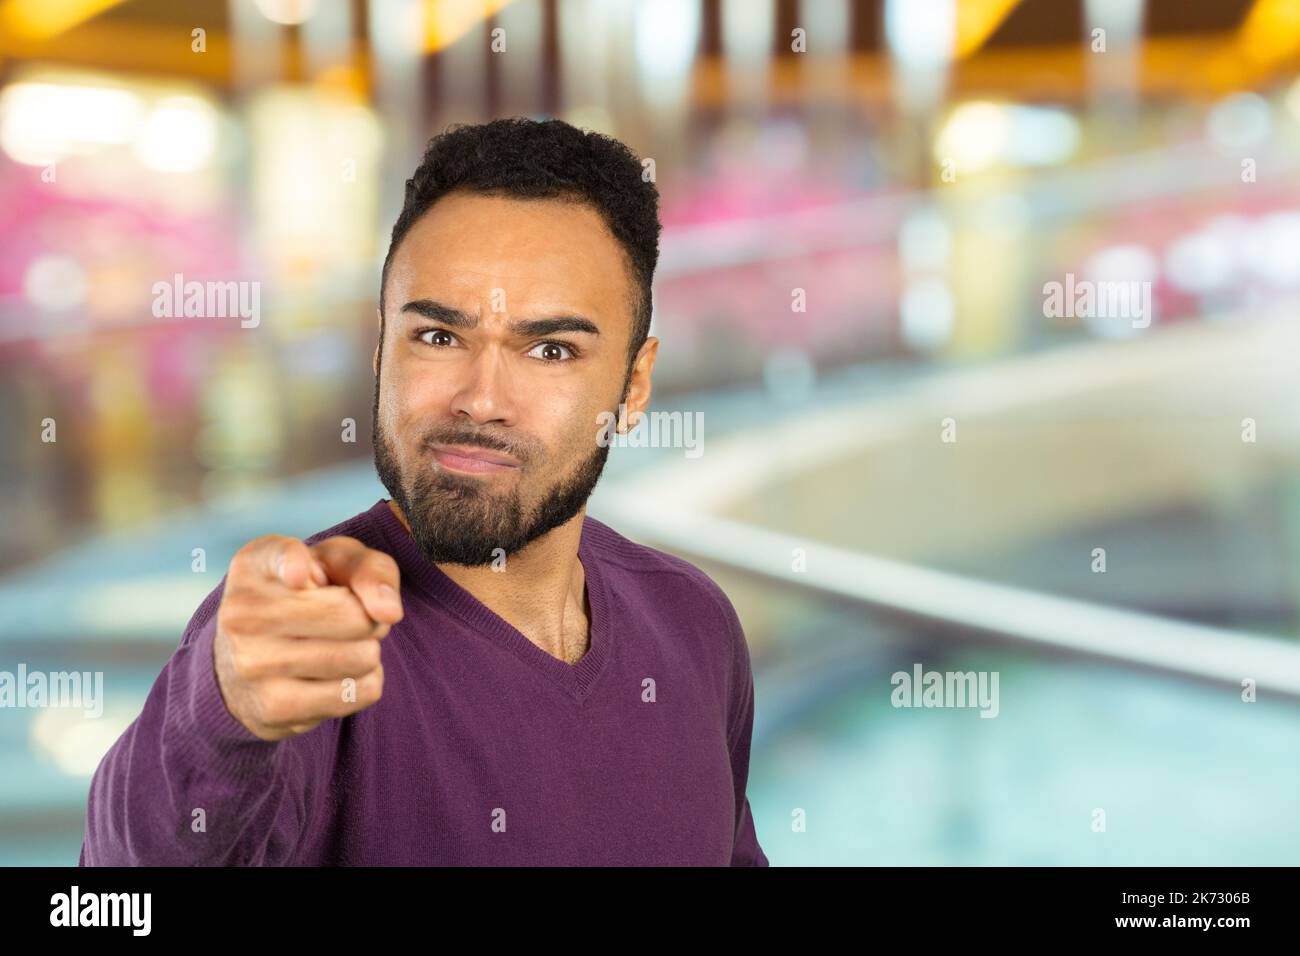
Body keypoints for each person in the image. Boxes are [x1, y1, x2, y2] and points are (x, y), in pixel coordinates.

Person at [80, 117, 768, 866]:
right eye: (439, 336)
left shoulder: (695, 623)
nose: (480, 400)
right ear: (382, 350)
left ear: (634, 387)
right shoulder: (311, 645)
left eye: (550, 350)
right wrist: (218, 716)